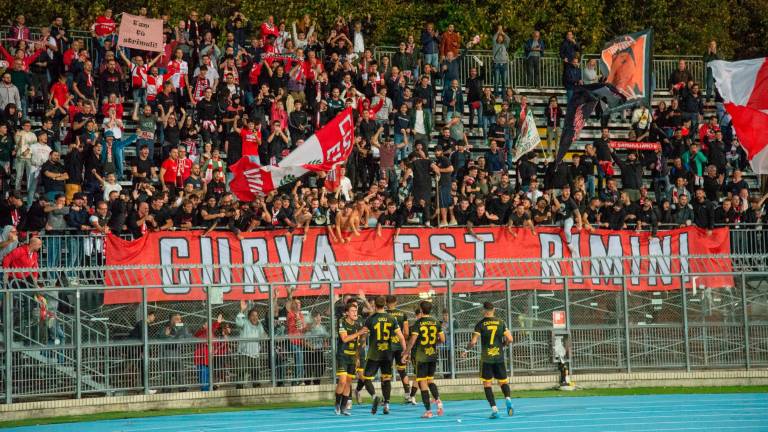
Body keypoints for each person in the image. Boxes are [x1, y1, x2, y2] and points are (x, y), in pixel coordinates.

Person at [463, 301, 514, 419]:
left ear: (483, 310)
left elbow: (473, 342)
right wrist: (503, 344)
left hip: (487, 359)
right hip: (499, 358)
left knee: (487, 384)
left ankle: (495, 410)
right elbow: (510, 339)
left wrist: (466, 350)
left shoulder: (480, 324)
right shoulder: (501, 322)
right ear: (494, 310)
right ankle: (508, 399)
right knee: (503, 382)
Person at [361, 295, 408, 415]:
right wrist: (405, 351)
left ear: (375, 305)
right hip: (387, 353)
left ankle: (374, 396)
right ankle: (387, 404)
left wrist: (361, 344)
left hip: (374, 353)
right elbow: (401, 337)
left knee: (366, 378)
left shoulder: (370, 319)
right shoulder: (391, 318)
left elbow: (363, 337)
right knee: (386, 378)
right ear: (384, 304)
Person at [405, 301, 445, 419]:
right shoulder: (436, 322)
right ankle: (438, 401)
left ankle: (428, 411)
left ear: (421, 310)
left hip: (421, 356)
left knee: (422, 383)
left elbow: (412, 340)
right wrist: (433, 343)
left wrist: (406, 352)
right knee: (430, 380)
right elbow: (442, 339)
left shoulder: (419, 323)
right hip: (432, 355)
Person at [334, 302, 368, 416]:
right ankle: (337, 404)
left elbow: (359, 344)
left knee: (348, 382)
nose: (355, 313)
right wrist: (359, 332)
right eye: (353, 311)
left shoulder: (358, 324)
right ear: (347, 313)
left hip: (353, 357)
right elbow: (344, 339)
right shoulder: (342, 322)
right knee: (342, 381)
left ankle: (343, 407)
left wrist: (357, 358)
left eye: (356, 310)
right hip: (343, 356)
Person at [385, 295, 412, 403]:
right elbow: (406, 332)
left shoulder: (384, 314)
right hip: (400, 345)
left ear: (386, 303)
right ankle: (408, 395)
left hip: (387, 346)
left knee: (386, 372)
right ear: (396, 302)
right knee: (402, 370)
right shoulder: (402, 314)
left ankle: (386, 399)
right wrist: (403, 341)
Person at [235, 300, 267, 388]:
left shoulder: (259, 325)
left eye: (256, 315)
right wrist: (242, 310)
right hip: (244, 352)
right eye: (253, 315)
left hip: (255, 353)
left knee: (256, 371)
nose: (255, 317)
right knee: (241, 371)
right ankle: (239, 388)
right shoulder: (245, 322)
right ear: (249, 317)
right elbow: (239, 323)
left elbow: (262, 335)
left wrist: (265, 334)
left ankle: (256, 388)